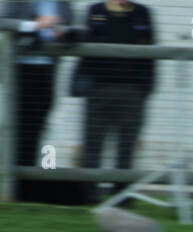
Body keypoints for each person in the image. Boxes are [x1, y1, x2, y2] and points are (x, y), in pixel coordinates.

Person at [79, 0, 156, 194]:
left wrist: (145, 89)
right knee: (93, 143)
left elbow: (150, 51)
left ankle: (122, 195)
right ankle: (87, 194)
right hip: (99, 89)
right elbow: (88, 43)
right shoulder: (96, 11)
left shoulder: (142, 13)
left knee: (126, 147)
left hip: (132, 91)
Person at [0, 1, 75, 200]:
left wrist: (62, 36)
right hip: (21, 70)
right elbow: (3, 21)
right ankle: (14, 184)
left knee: (37, 126)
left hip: (47, 71)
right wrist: (34, 25)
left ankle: (26, 184)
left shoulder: (63, 4)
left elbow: (70, 28)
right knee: (18, 128)